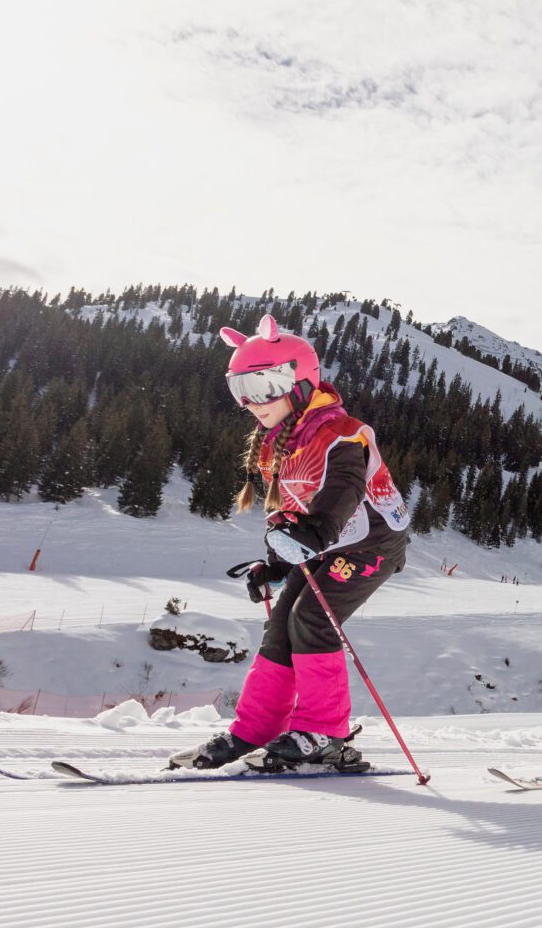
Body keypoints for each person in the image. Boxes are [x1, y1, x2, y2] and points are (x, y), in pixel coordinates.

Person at [172, 314, 411, 771]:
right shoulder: (276, 444)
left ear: (300, 382)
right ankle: (254, 729)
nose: (251, 403)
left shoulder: (341, 433)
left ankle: (325, 733)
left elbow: (345, 488)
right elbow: (288, 509)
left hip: (369, 544)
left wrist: (316, 534)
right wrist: (277, 564)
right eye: (240, 391)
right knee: (281, 624)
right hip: (325, 541)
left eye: (262, 388)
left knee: (313, 620)